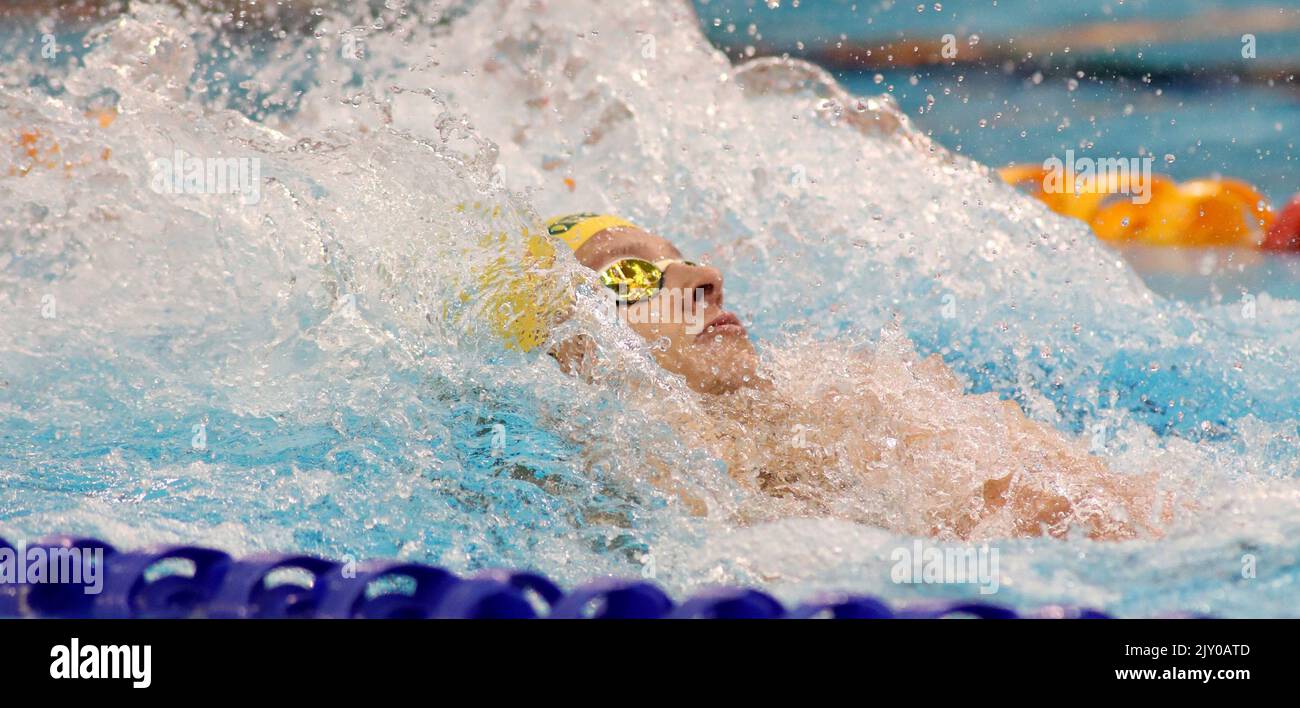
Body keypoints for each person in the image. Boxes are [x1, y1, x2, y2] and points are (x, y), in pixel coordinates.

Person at [537, 213, 1169, 541]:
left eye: (682, 256)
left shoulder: (851, 398)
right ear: (578, 353)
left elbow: (1122, 507)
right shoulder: (603, 483)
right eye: (628, 275)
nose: (705, 276)